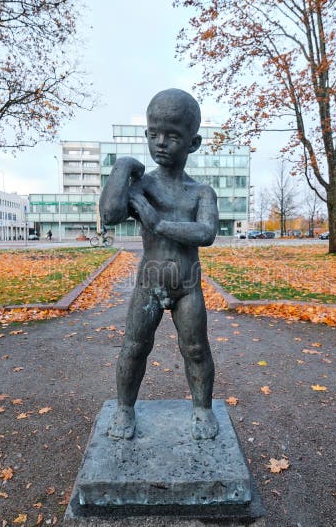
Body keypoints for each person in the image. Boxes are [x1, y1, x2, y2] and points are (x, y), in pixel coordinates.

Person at [99, 88, 219, 441]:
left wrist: (158, 222)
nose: (161, 142)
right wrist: (122, 168)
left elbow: (206, 232)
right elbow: (109, 214)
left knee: (196, 348)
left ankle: (202, 409)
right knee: (135, 346)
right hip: (149, 283)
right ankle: (124, 409)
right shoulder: (142, 185)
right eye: (154, 133)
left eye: (173, 135)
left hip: (187, 284)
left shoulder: (201, 192)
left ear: (193, 143)